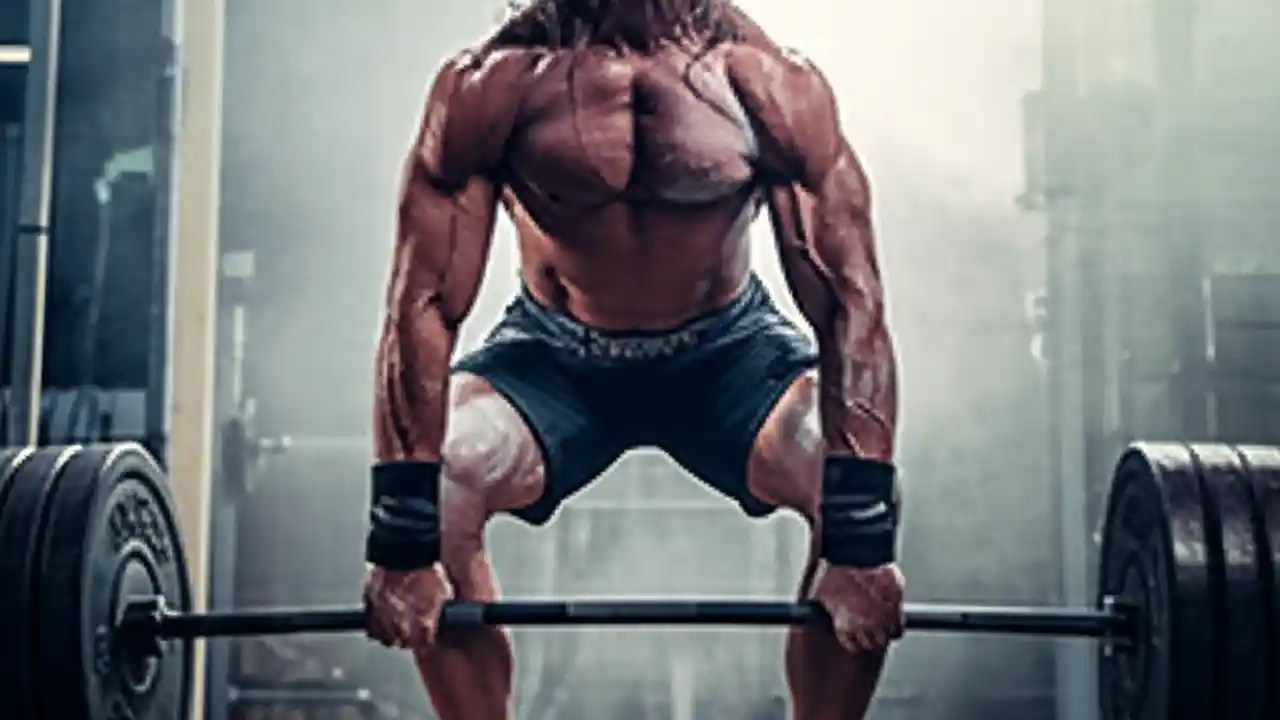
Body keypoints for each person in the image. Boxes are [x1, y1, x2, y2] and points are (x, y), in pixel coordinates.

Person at [362, 1, 904, 718]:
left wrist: (860, 543)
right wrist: (402, 541)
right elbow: (422, 304)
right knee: (444, 484)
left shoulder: (765, 83)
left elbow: (849, 303)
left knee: (836, 475)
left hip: (727, 356)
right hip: (555, 359)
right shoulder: (491, 86)